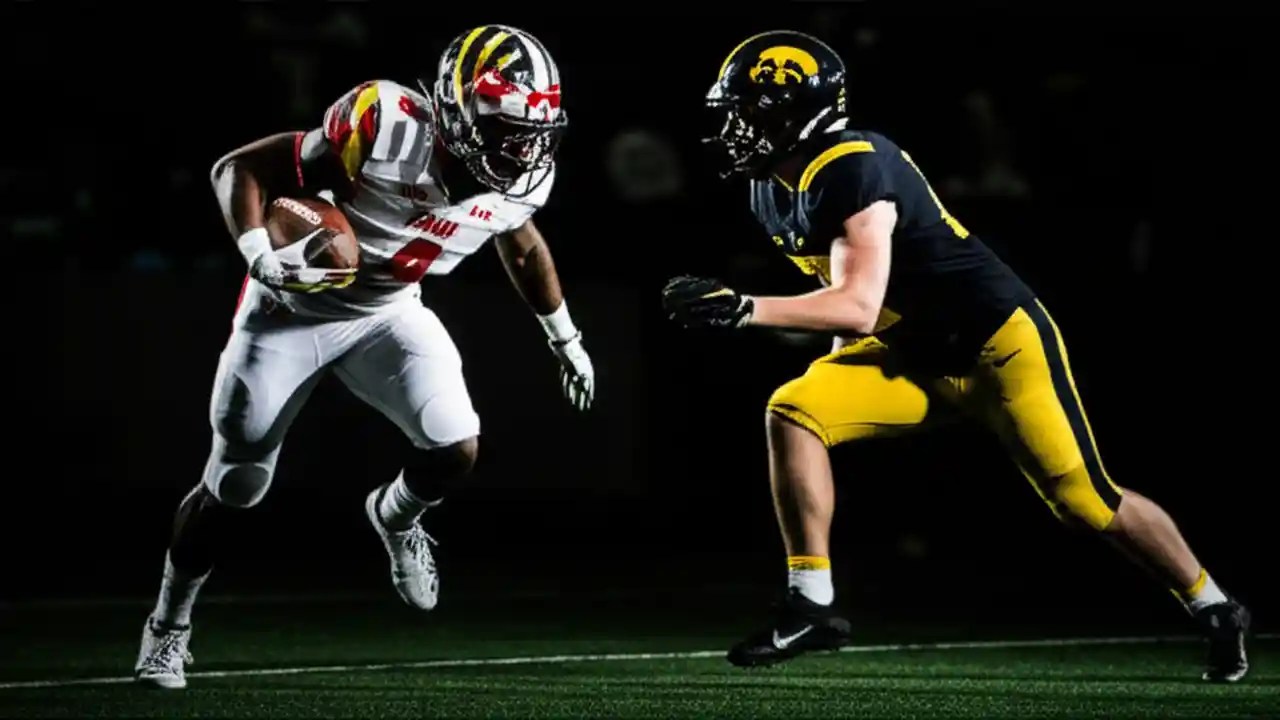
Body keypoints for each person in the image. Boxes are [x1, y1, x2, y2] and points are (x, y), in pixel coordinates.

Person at [661, 29, 1251, 681]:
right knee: (794, 408)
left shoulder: (854, 165)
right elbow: (855, 310)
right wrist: (828, 371)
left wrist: (745, 308)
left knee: (1084, 502)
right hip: (910, 354)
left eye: (751, 110)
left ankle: (1215, 607)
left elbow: (857, 303)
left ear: (796, 111)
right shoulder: (768, 186)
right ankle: (812, 602)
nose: (737, 126)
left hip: (998, 350)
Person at [134, 24, 594, 690]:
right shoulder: (386, 123)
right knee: (236, 484)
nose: (524, 148)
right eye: (506, 129)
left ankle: (396, 515)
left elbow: (519, 243)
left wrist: (566, 337)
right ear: (456, 110)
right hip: (289, 314)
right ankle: (168, 625)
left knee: (456, 445)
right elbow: (241, 169)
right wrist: (263, 255)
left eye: (535, 132)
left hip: (387, 312)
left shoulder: (525, 176)